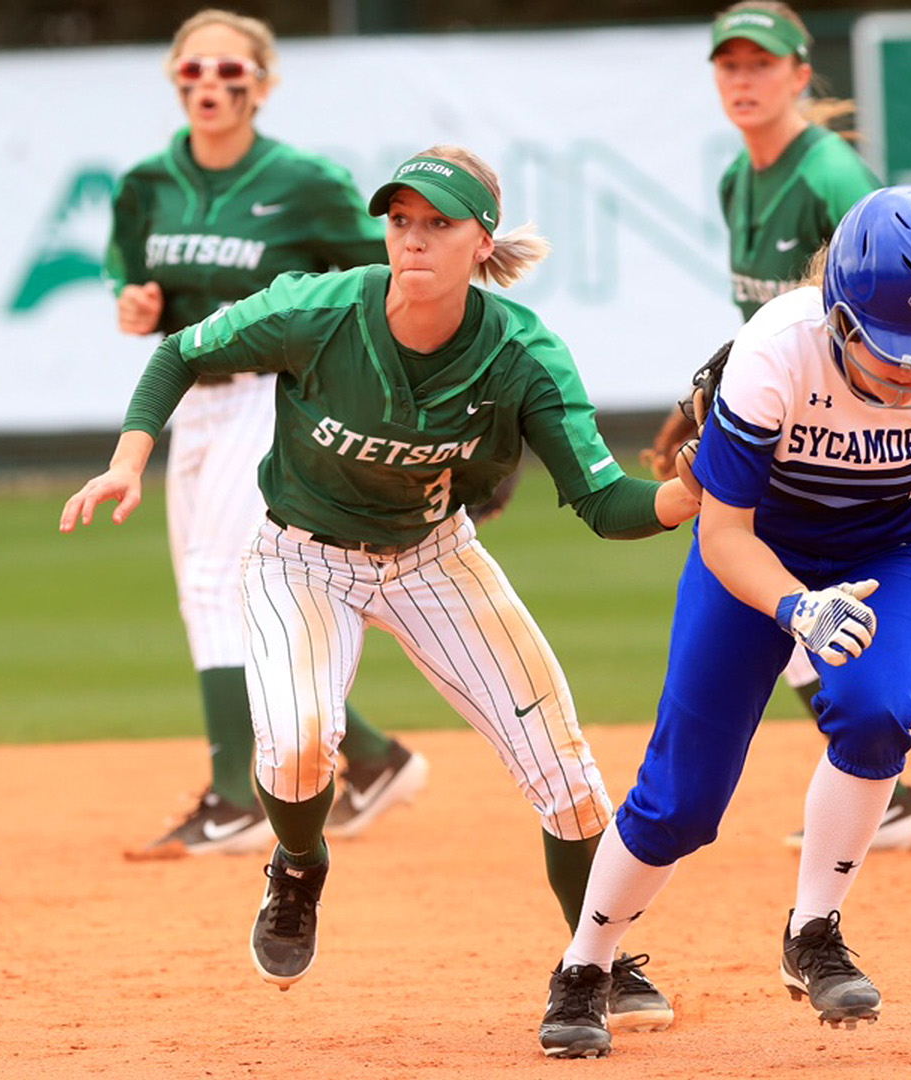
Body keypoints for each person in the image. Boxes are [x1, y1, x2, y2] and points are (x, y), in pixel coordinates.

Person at [63, 145, 698, 1029]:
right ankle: (297, 866)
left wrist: (687, 495)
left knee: (568, 773)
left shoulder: (523, 353)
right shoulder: (320, 310)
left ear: (483, 242)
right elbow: (180, 350)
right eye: (401, 220)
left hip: (432, 558)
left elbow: (602, 501)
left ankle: (597, 959)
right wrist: (128, 460)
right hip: (298, 557)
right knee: (295, 747)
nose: (414, 238)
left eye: (439, 223)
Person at [538, 184, 911, 1057]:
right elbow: (722, 533)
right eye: (892, 352)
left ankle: (814, 934)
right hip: (759, 552)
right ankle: (585, 965)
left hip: (897, 548)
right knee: (683, 797)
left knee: (878, 716)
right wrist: (796, 605)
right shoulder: (777, 355)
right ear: (838, 320)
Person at [640, 1, 911, 852]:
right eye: (730, 65)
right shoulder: (738, 179)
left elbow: (908, 298)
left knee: (792, 594)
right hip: (784, 423)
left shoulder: (830, 176)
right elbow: (763, 334)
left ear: (800, 73)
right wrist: (697, 411)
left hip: (861, 438)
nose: (743, 79)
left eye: (763, 63)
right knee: (788, 599)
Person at [103, 9, 425, 861]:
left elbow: (382, 267)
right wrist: (136, 305)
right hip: (193, 395)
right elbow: (134, 279)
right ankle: (371, 755)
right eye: (195, 71)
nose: (211, 84)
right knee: (210, 588)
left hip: (270, 394)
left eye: (230, 71)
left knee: (218, 583)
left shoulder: (304, 181)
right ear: (176, 81)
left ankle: (235, 795)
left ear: (263, 84)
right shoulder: (146, 183)